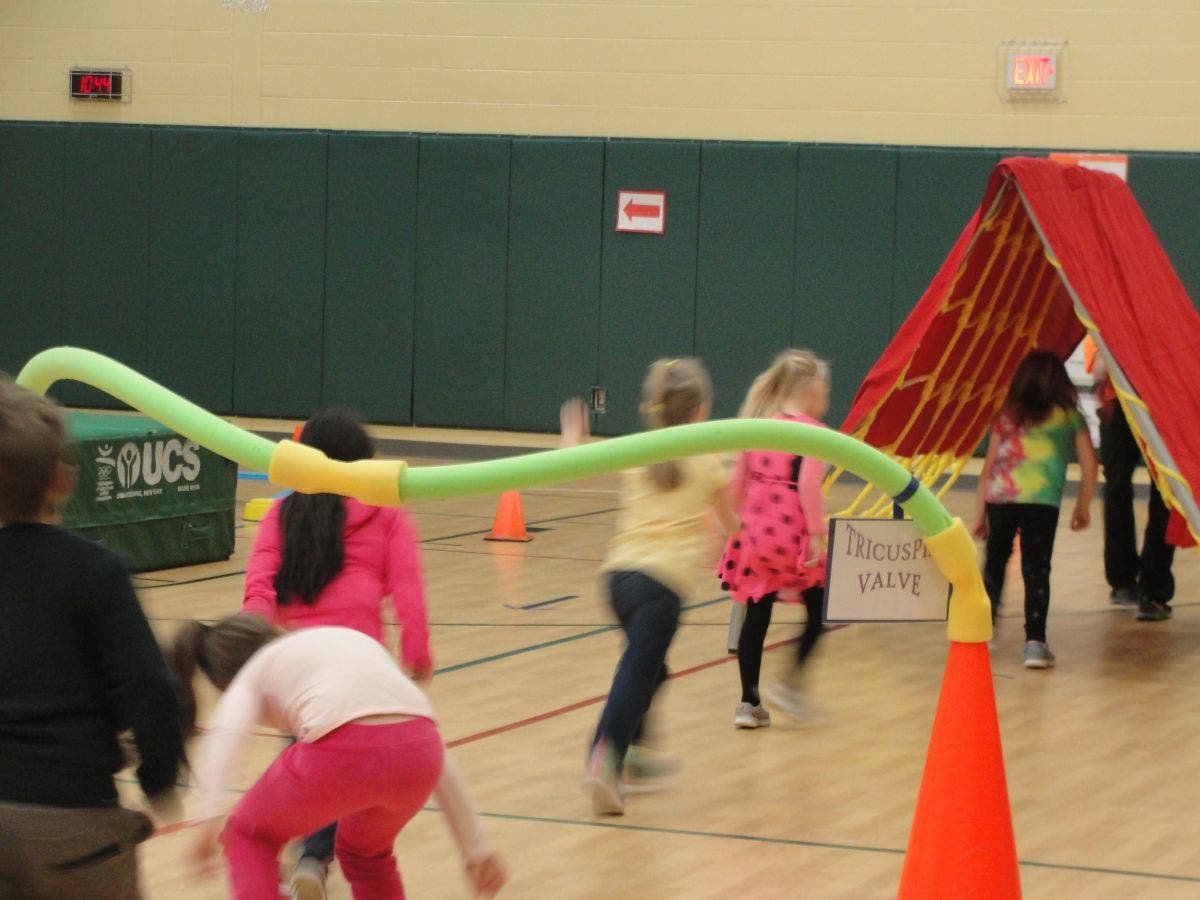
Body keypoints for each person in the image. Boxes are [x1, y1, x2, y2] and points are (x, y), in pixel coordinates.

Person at [0, 376, 184, 899]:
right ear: (62, 480)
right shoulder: (96, 572)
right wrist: (160, 777)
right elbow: (149, 686)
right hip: (73, 820)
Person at [169, 614, 507, 900]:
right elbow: (431, 750)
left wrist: (206, 820)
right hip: (421, 751)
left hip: (341, 749)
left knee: (248, 833)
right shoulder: (341, 642)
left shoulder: (254, 671)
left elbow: (226, 735)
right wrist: (474, 844)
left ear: (225, 681)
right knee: (365, 853)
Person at [241, 407, 434, 898]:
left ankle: (301, 853)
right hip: (358, 665)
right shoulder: (386, 514)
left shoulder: (283, 515)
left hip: (297, 666)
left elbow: (259, 582)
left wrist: (259, 641)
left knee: (308, 757)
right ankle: (311, 857)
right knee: (340, 764)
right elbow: (407, 586)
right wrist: (416, 647)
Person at [564, 359, 737, 816]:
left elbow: (575, 468)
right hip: (661, 589)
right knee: (638, 673)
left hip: (617, 582)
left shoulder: (637, 448)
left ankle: (633, 758)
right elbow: (732, 524)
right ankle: (606, 756)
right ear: (701, 411)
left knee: (653, 672)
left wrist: (571, 437)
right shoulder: (709, 460)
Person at [717, 349, 832, 727]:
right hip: (792, 532)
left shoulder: (755, 425)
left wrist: (730, 529)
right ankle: (790, 686)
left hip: (754, 531)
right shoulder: (816, 434)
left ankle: (748, 702)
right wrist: (816, 533)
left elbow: (736, 481)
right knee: (818, 610)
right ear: (814, 389)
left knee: (757, 613)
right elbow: (808, 484)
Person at [972, 350, 1098, 668]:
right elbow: (1090, 464)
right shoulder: (1069, 415)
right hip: (1041, 504)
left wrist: (979, 514)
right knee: (1036, 569)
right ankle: (1035, 643)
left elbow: (988, 470)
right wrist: (1082, 505)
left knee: (995, 564)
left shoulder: (1007, 415)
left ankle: (983, 632)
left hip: (1000, 500)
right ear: (1061, 382)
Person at [1083, 337, 1176, 621]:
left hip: (1148, 399)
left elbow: (1099, 367)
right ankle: (1148, 588)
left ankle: (1134, 584)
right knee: (1155, 492)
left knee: (1127, 489)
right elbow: (1099, 365)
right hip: (1142, 398)